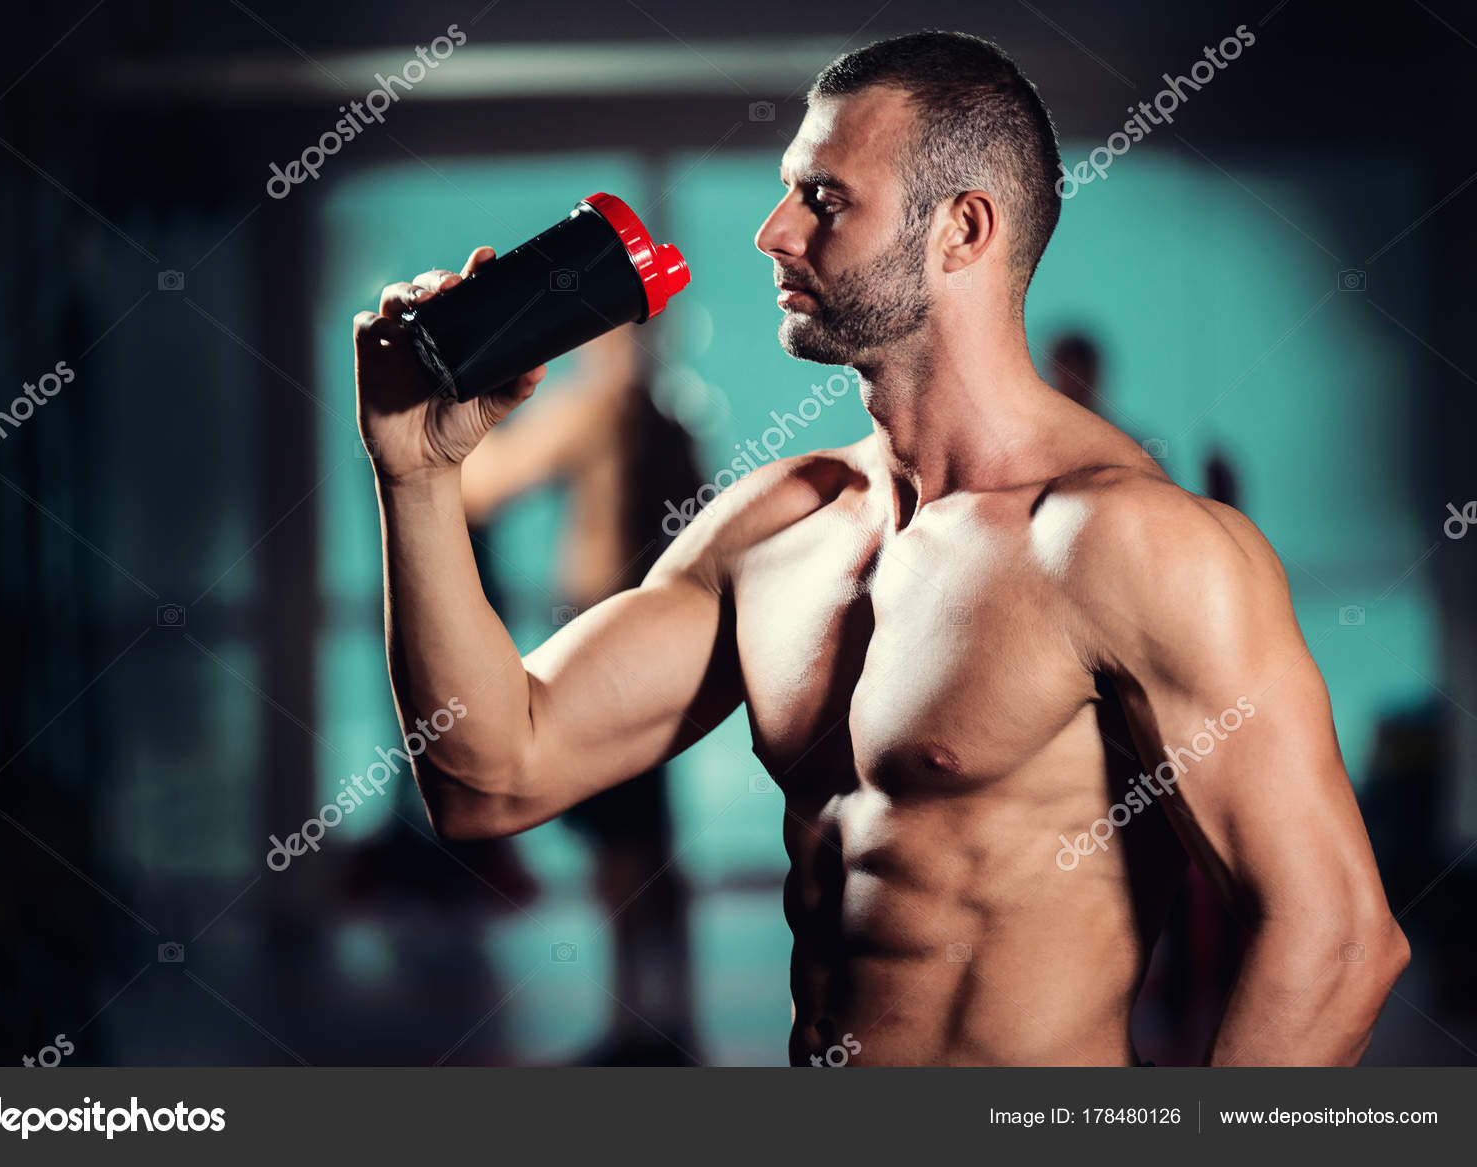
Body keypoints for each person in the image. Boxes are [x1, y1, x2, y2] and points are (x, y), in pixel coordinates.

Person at [352, 30, 1407, 1065]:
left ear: (961, 230)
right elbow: (490, 776)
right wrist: (416, 476)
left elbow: (1336, 943)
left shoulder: (1129, 545)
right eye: (785, 191)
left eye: (822, 198)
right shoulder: (783, 523)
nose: (771, 232)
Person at [460, 323, 704, 1065]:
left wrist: (453, 422)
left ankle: (638, 1028)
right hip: (664, 637)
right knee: (648, 840)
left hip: (605, 635)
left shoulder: (598, 406)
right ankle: (663, 1020)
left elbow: (481, 485)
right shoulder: (673, 421)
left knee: (622, 847)